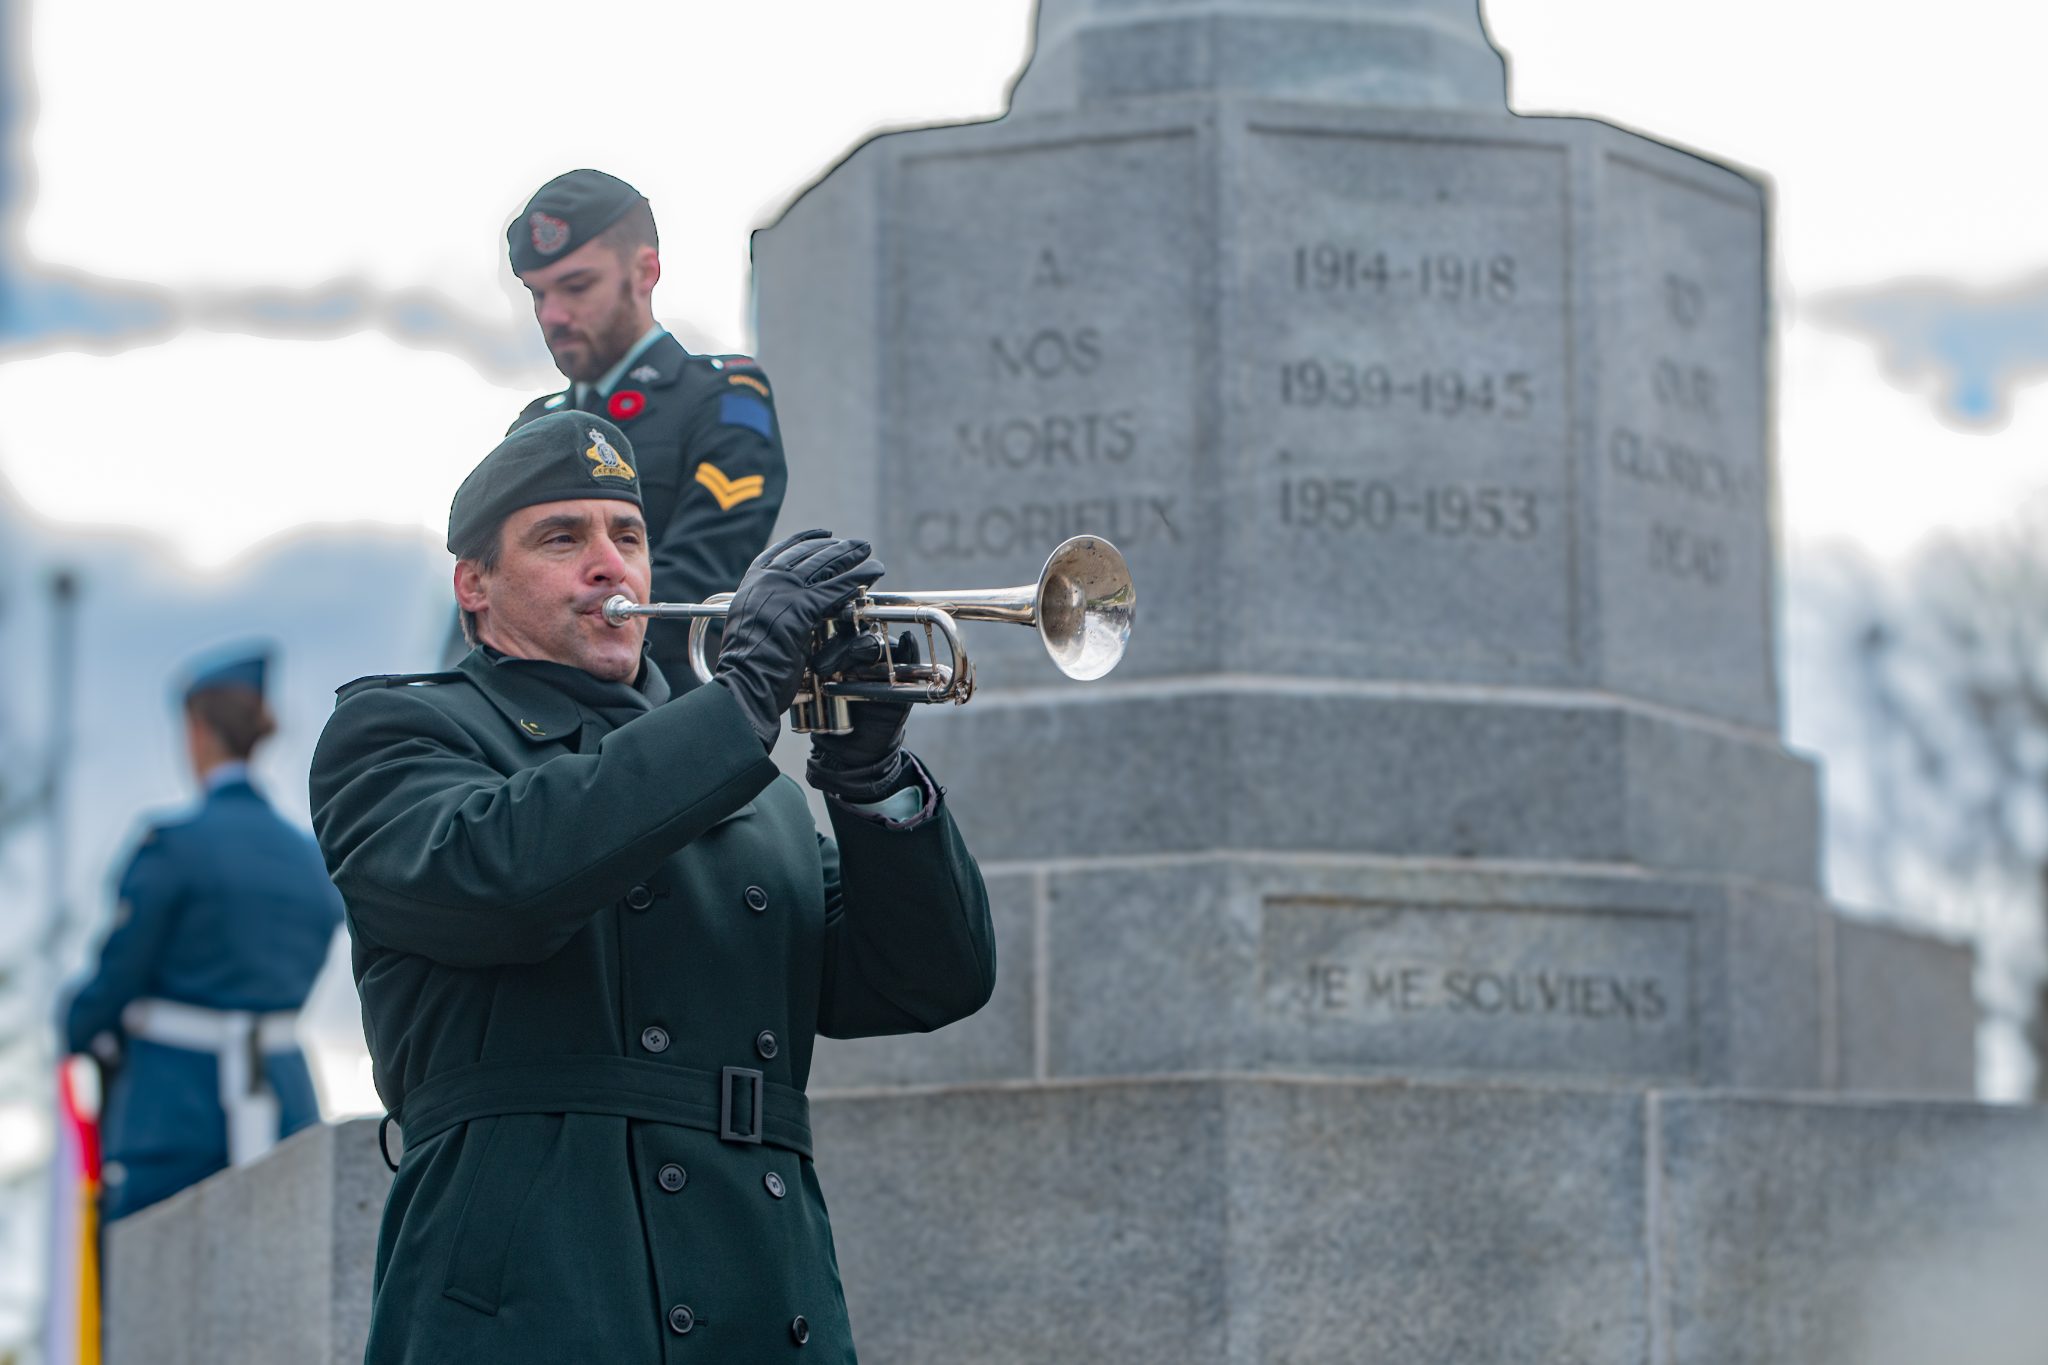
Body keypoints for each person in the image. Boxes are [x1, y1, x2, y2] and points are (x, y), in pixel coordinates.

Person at [311, 411, 994, 1362]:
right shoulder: (400, 736)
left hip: (766, 1289)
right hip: (540, 1292)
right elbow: (506, 878)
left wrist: (868, 777)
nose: (609, 564)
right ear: (475, 585)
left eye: (627, 536)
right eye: (563, 537)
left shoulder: (747, 790)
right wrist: (743, 702)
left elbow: (927, 980)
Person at [466, 166, 787, 689]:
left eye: (576, 287)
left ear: (643, 273)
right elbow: (495, 588)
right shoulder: (533, 424)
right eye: (537, 294)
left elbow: (698, 584)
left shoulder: (721, 397)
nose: (553, 316)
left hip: (664, 717)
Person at [63, 646, 343, 1222]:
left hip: (171, 1113)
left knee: (148, 1301)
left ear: (197, 731)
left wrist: (76, 1027)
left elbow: (114, 983)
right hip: (285, 1103)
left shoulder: (171, 847)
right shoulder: (313, 861)